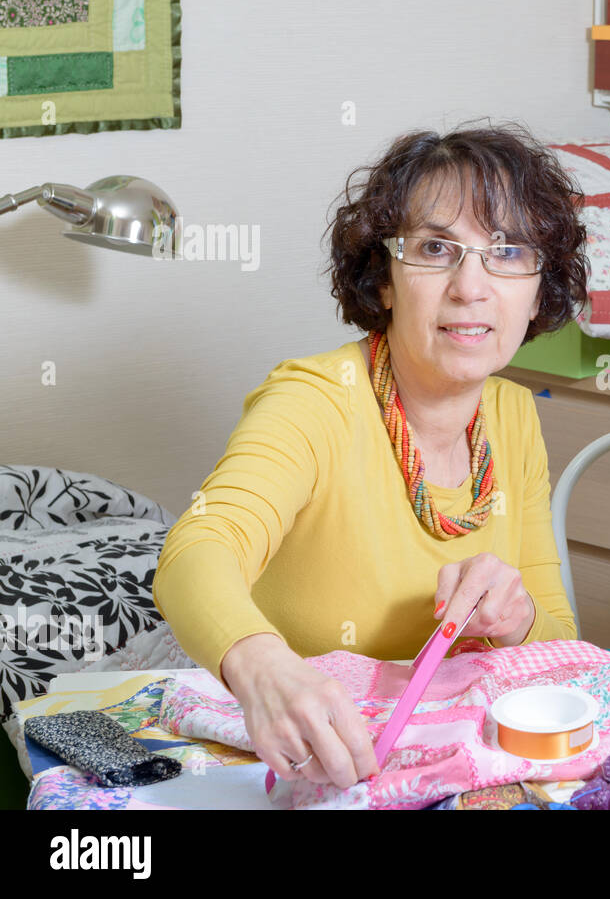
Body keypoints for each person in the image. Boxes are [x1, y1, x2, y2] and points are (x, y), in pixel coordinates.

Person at [154, 124, 588, 788]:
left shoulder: (512, 414)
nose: (471, 286)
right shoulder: (315, 399)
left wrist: (517, 615)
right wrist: (263, 666)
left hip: (425, 766)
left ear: (538, 288)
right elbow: (197, 548)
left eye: (506, 252)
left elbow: (562, 652)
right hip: (287, 759)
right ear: (383, 280)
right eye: (437, 248)